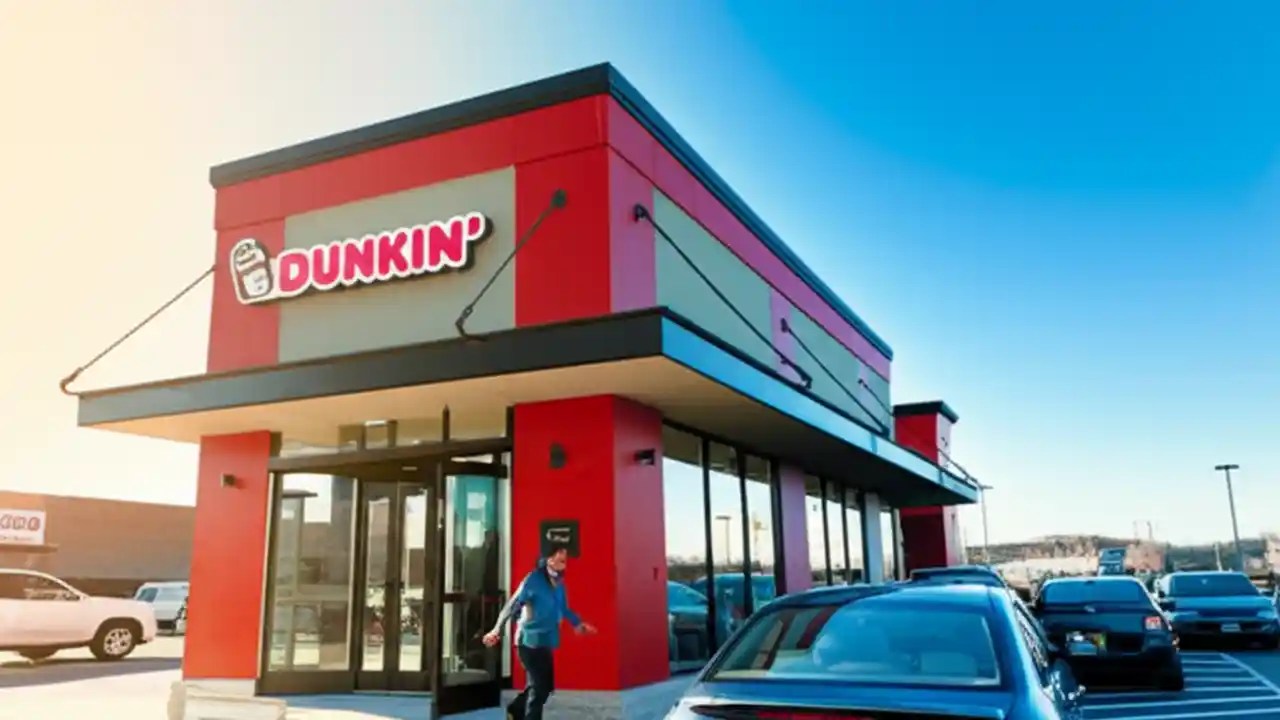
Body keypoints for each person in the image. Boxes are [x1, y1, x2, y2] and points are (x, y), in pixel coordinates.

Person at [483, 546, 596, 720]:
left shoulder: (559, 584)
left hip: (546, 640)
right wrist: (497, 629)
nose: (564, 560)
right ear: (549, 560)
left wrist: (577, 624)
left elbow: (563, 608)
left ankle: (515, 709)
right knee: (538, 687)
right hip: (528, 641)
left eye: (565, 557)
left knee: (545, 685)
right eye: (560, 556)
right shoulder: (533, 580)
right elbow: (512, 606)